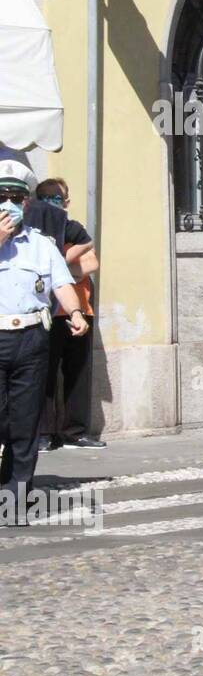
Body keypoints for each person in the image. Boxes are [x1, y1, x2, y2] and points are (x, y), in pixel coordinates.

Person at [0, 161, 89, 504]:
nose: (8, 203)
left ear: (26, 203)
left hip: (32, 338)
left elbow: (62, 283)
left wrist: (76, 312)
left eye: (15, 198)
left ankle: (15, 496)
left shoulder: (40, 244)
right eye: (2, 196)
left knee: (26, 420)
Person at [35, 178, 105, 450]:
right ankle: (43, 434)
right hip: (48, 313)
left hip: (80, 309)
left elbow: (91, 263)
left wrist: (56, 265)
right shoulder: (35, 233)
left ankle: (76, 432)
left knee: (78, 374)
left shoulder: (74, 229)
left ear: (66, 202)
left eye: (57, 198)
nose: (52, 203)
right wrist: (68, 266)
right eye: (46, 198)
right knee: (45, 376)